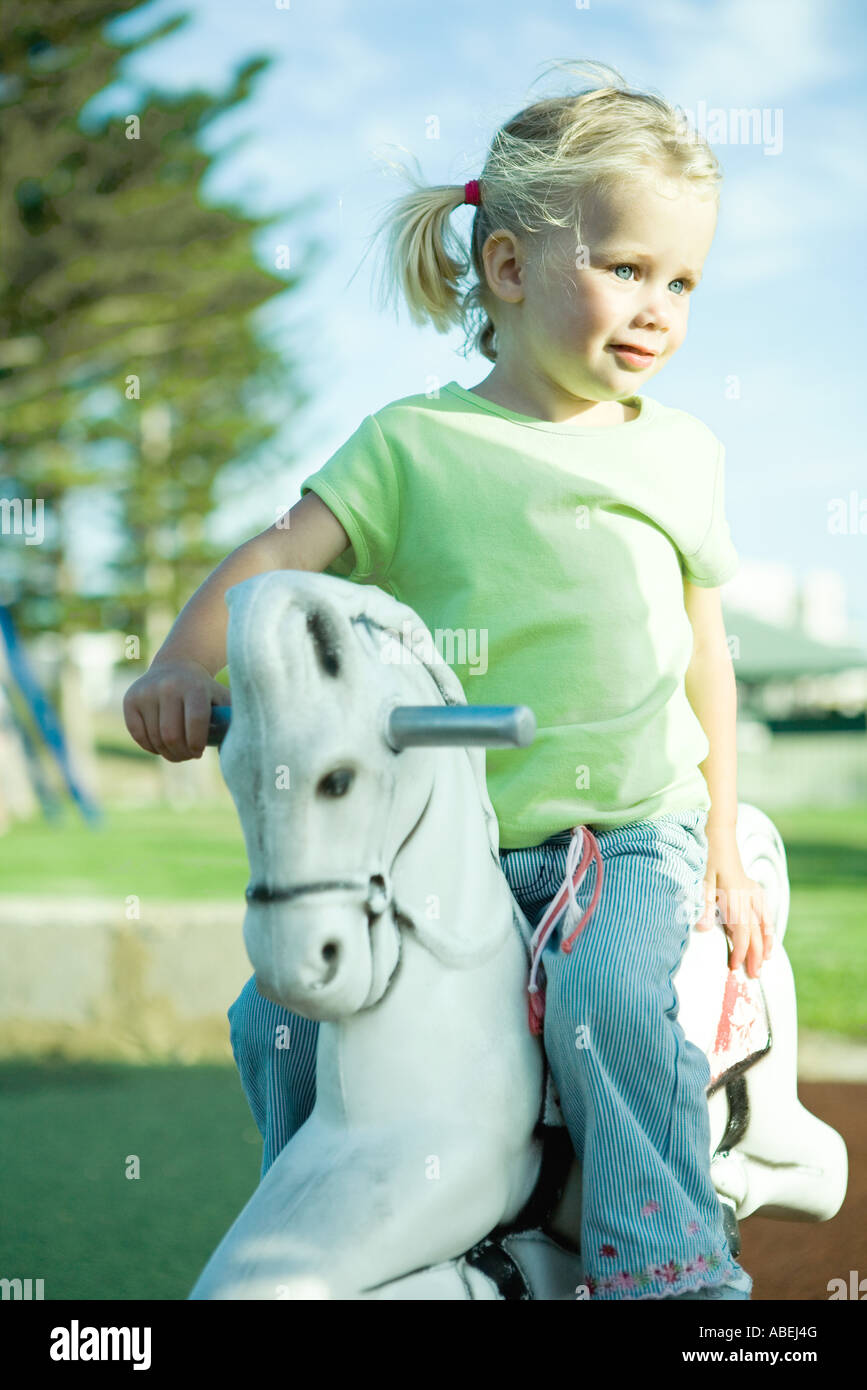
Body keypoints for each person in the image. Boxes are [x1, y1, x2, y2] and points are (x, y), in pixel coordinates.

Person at [124, 60, 775, 1301]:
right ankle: (336, 1217)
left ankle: (671, 1268)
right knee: (274, 1016)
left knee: (611, 997)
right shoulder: (412, 444)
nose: (658, 308)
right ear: (511, 267)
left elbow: (708, 660)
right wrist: (181, 663)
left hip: (622, 832)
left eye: (682, 281)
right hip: (451, 844)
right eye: (626, 267)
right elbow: (273, 563)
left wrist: (723, 854)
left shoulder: (683, 454)